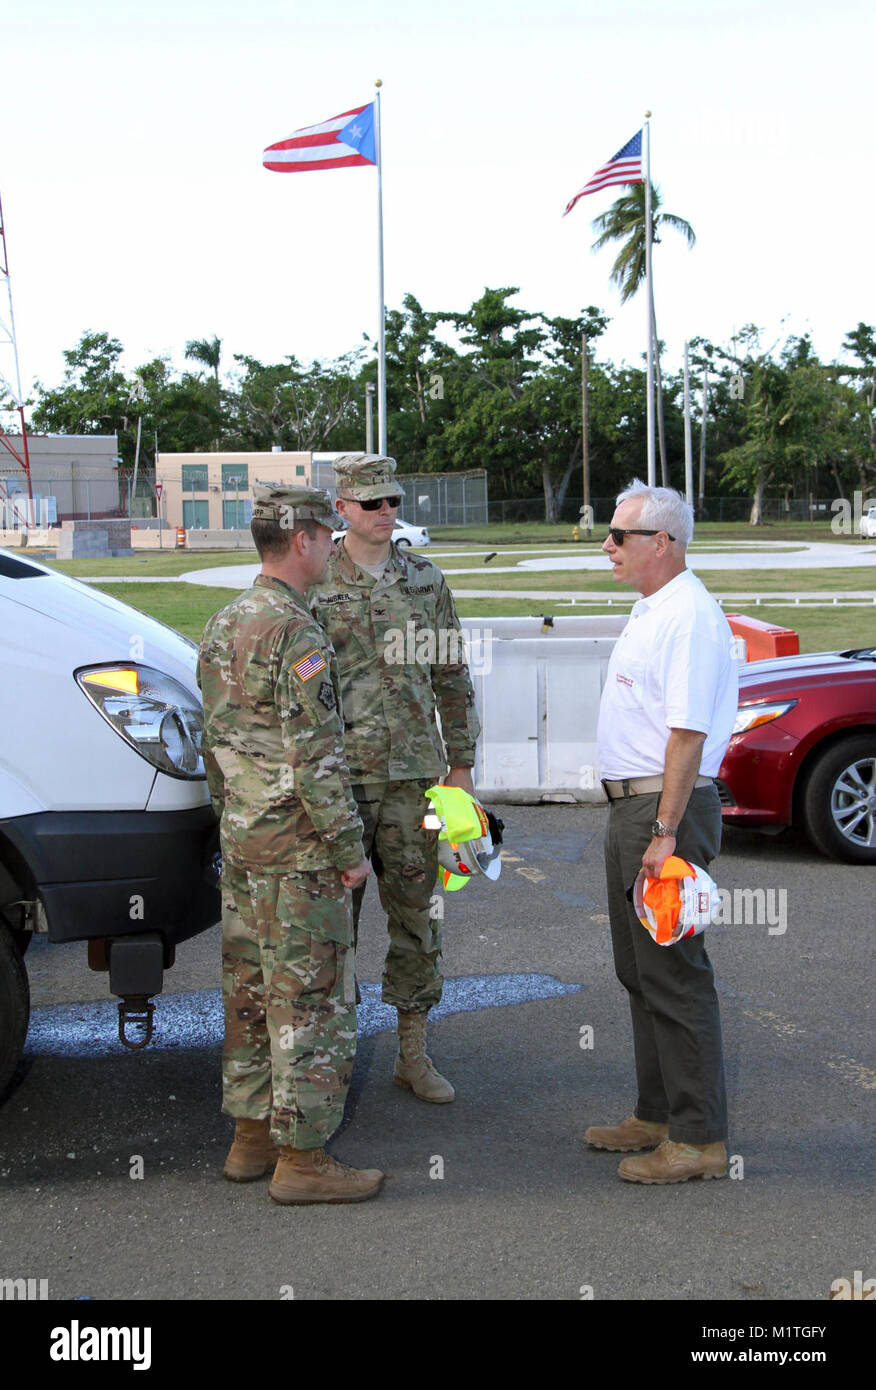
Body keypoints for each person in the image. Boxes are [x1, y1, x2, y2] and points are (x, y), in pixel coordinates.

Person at [197, 483, 383, 1205]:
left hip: (246, 846)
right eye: (326, 534)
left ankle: (250, 1137)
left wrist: (234, 825)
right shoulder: (296, 632)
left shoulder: (225, 621)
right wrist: (348, 853)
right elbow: (316, 758)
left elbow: (216, 746)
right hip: (300, 852)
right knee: (310, 999)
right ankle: (301, 1160)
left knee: (248, 991)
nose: (333, 545)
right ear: (302, 540)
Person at [309, 454, 481, 1103]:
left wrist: (459, 768)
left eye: (392, 502)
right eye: (372, 503)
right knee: (331, 925)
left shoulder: (424, 580)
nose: (386, 513)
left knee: (417, 918)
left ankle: (412, 1051)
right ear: (342, 509)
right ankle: (330, 1060)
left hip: (413, 777)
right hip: (340, 780)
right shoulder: (315, 580)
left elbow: (451, 678)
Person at [587, 480, 738, 1183]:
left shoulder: (689, 616)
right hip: (636, 811)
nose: (608, 545)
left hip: (661, 813)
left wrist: (666, 830)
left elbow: (687, 734)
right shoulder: (656, 607)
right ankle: (656, 1113)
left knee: (675, 976)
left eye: (621, 535)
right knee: (639, 970)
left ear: (665, 543)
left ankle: (699, 1139)